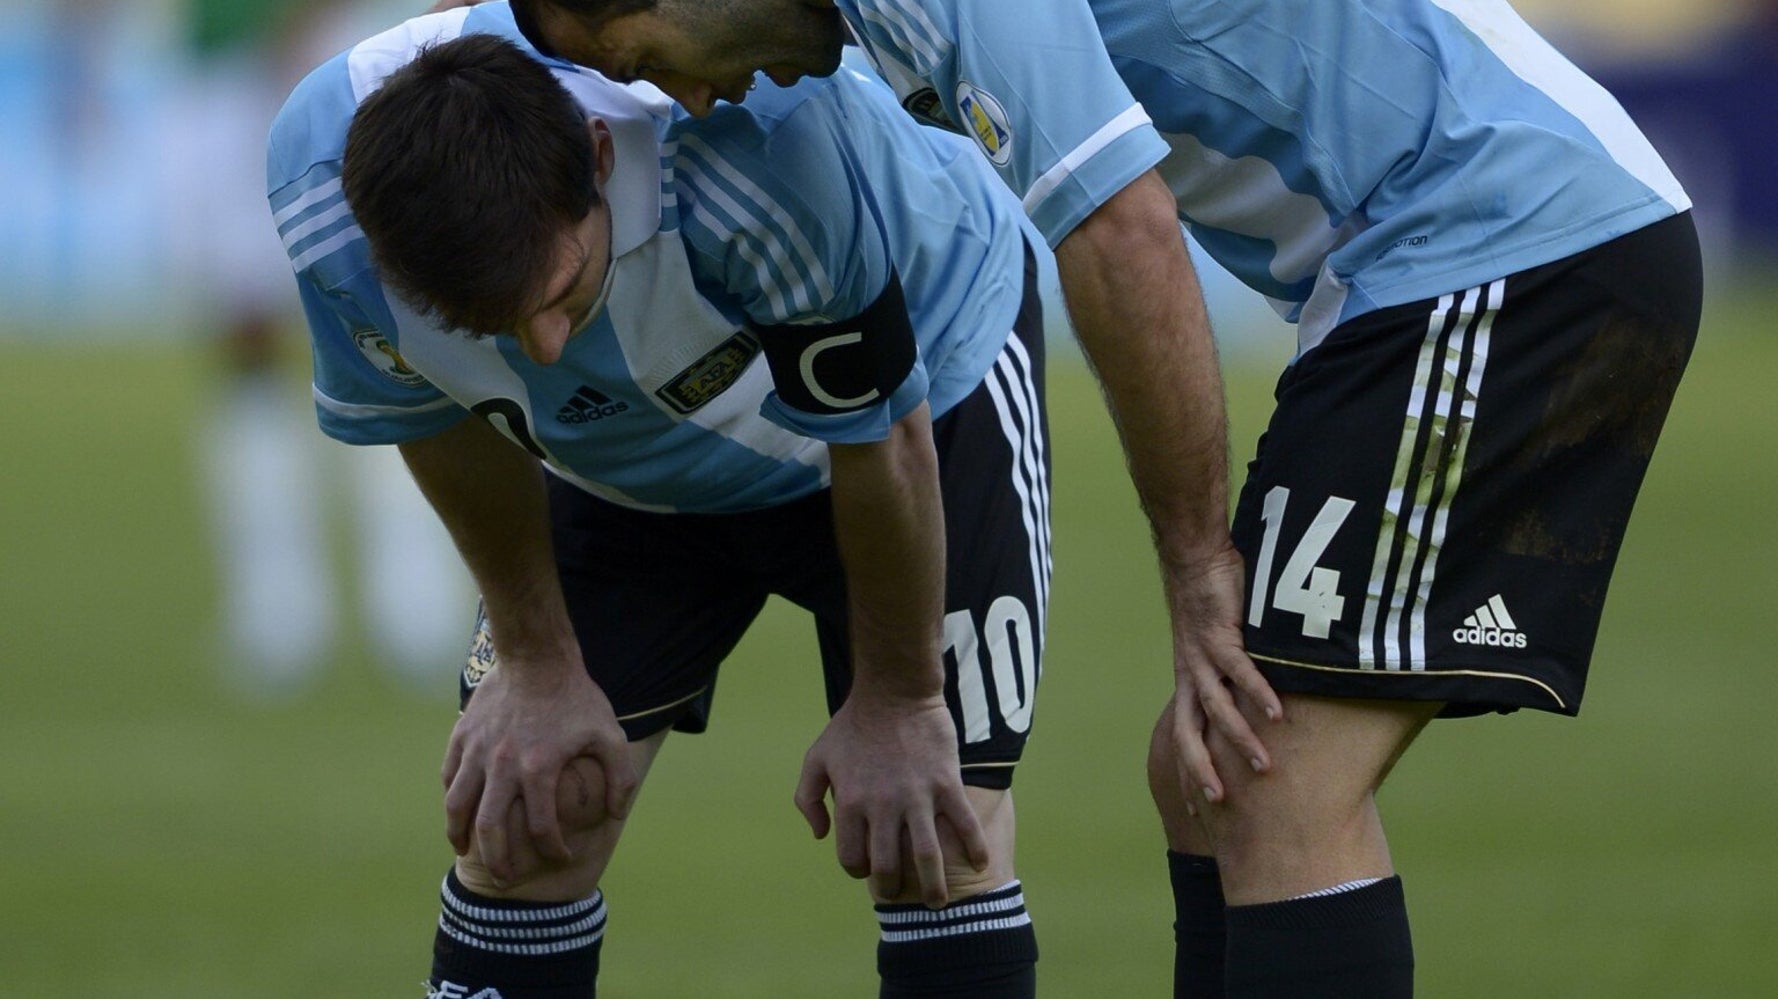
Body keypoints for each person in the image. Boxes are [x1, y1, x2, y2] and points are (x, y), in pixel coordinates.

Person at [506, 0, 1704, 995]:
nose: (698, 103)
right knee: (1210, 774)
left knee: (1269, 778)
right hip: (1425, 260)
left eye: (648, 64)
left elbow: (1124, 230)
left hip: (1503, 230)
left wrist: (1194, 576)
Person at [267, 7, 1052, 995]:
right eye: (495, 327)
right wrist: (533, 658)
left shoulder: (762, 156)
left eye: (560, 291)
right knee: (527, 814)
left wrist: (898, 699)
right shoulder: (322, 198)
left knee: (932, 835)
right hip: (619, 462)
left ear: (598, 158)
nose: (544, 349)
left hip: (923, 395)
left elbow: (877, 436)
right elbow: (426, 414)